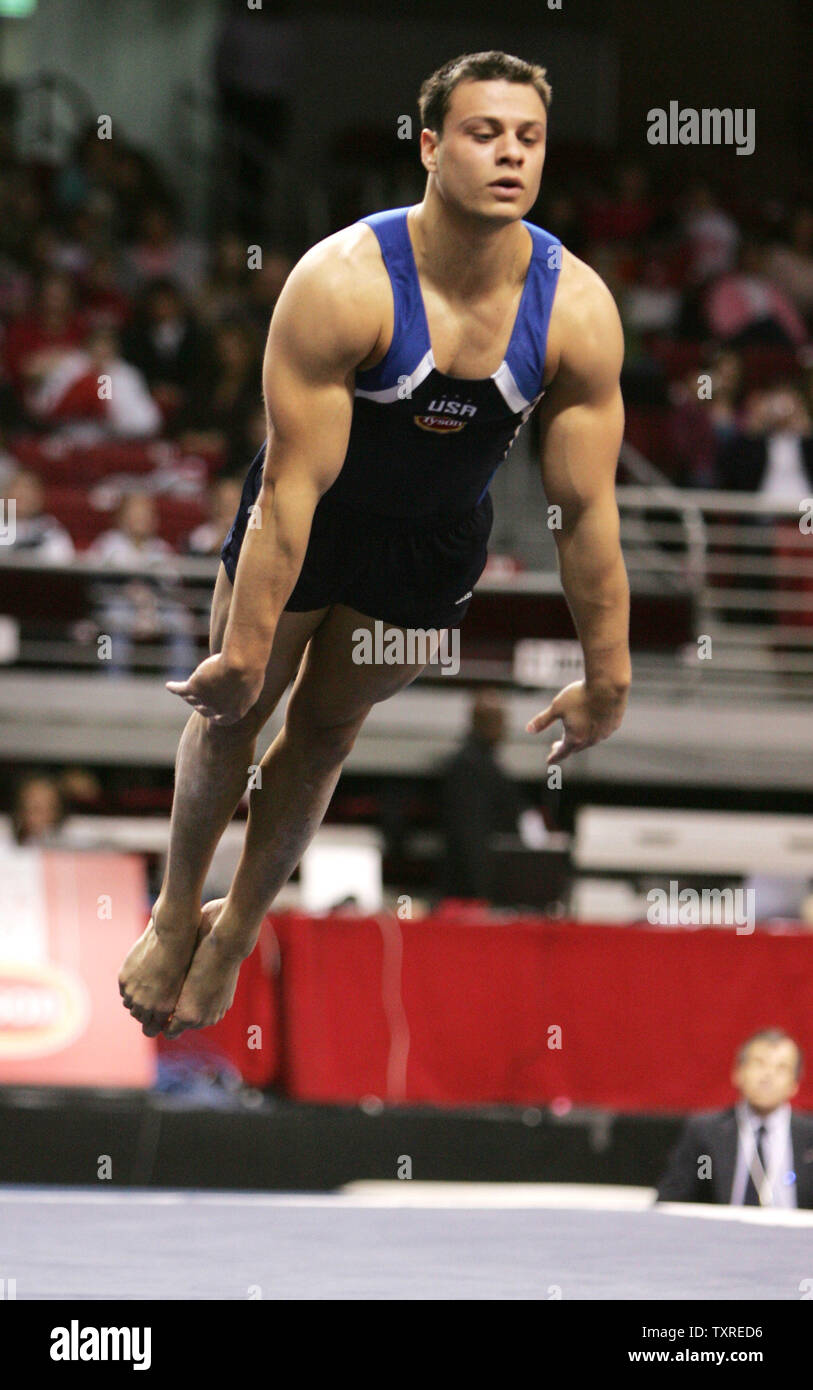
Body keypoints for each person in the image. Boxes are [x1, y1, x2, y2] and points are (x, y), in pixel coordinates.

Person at [119, 50, 631, 1040]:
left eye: (528, 137)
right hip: (307, 525)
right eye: (485, 133)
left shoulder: (575, 309)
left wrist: (607, 676)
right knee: (238, 711)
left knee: (324, 735)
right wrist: (242, 649)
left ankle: (235, 934)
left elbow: (588, 515)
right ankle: (180, 906)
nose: (510, 155)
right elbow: (289, 485)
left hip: (431, 551)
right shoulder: (345, 282)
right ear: (431, 147)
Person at [656, 1029, 813, 1209]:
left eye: (781, 1068)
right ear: (738, 1073)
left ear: (795, 1084)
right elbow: (674, 1199)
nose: (768, 1076)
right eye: (759, 1064)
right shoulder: (706, 1134)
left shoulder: (809, 1139)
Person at [440, 687, 548, 900]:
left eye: (500, 720)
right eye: (492, 720)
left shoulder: (486, 765)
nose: (500, 727)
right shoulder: (469, 768)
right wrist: (483, 892)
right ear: (476, 722)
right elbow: (470, 837)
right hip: (468, 888)